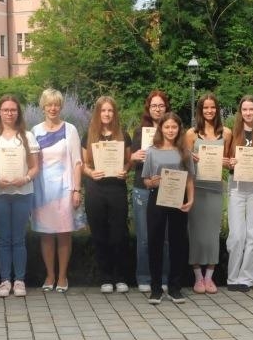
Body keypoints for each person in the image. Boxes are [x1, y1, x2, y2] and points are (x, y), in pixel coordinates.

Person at [0, 95, 40, 298]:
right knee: (4, 239)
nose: (9, 113)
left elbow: (35, 167)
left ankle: (20, 280)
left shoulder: (28, 136)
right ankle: (5, 280)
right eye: (5, 110)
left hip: (22, 193)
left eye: (13, 110)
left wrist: (26, 178)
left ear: (18, 113)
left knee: (19, 238)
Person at [31, 89, 85, 292]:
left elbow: (77, 162)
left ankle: (62, 276)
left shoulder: (69, 129)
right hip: (42, 191)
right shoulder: (34, 131)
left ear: (61, 106)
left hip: (64, 190)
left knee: (63, 234)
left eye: (56, 104)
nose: (52, 108)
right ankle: (50, 275)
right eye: (49, 104)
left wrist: (76, 190)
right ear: (43, 106)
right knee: (46, 235)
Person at [142, 112, 195, 305]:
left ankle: (175, 287)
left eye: (174, 127)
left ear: (179, 129)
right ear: (161, 129)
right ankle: (156, 288)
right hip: (157, 198)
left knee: (177, 243)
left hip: (178, 199)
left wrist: (190, 200)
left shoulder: (185, 151)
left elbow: (189, 178)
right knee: (155, 242)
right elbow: (146, 179)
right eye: (167, 127)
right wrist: (151, 182)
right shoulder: (151, 151)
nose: (170, 130)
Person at [81, 96, 132, 293]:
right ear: (98, 113)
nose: (107, 114)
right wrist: (91, 173)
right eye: (103, 111)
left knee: (119, 234)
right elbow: (83, 164)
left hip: (116, 189)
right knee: (100, 233)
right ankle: (105, 277)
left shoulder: (123, 135)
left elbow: (129, 162)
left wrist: (125, 170)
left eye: (110, 110)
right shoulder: (89, 135)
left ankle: (120, 277)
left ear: (114, 113)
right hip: (95, 189)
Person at [185, 93, 231, 293]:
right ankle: (197, 277)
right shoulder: (191, 134)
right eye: (205, 108)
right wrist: (191, 158)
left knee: (212, 233)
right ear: (200, 110)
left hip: (214, 187)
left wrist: (227, 162)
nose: (209, 111)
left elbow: (229, 160)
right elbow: (183, 160)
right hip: (197, 186)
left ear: (217, 109)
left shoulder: (226, 133)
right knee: (195, 232)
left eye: (213, 107)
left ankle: (210, 277)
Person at [225, 96, 253, 292]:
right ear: (240, 112)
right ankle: (232, 277)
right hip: (236, 186)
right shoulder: (232, 133)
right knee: (236, 235)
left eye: (252, 109)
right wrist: (230, 162)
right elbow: (225, 160)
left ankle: (246, 278)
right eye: (245, 109)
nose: (248, 113)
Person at [130, 91, 171, 293]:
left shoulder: (172, 130)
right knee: (145, 237)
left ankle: (163, 277)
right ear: (149, 108)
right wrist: (134, 156)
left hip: (167, 188)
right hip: (143, 189)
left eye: (161, 105)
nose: (157, 109)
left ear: (166, 107)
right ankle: (144, 276)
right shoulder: (139, 132)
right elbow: (130, 161)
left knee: (164, 237)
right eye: (154, 106)